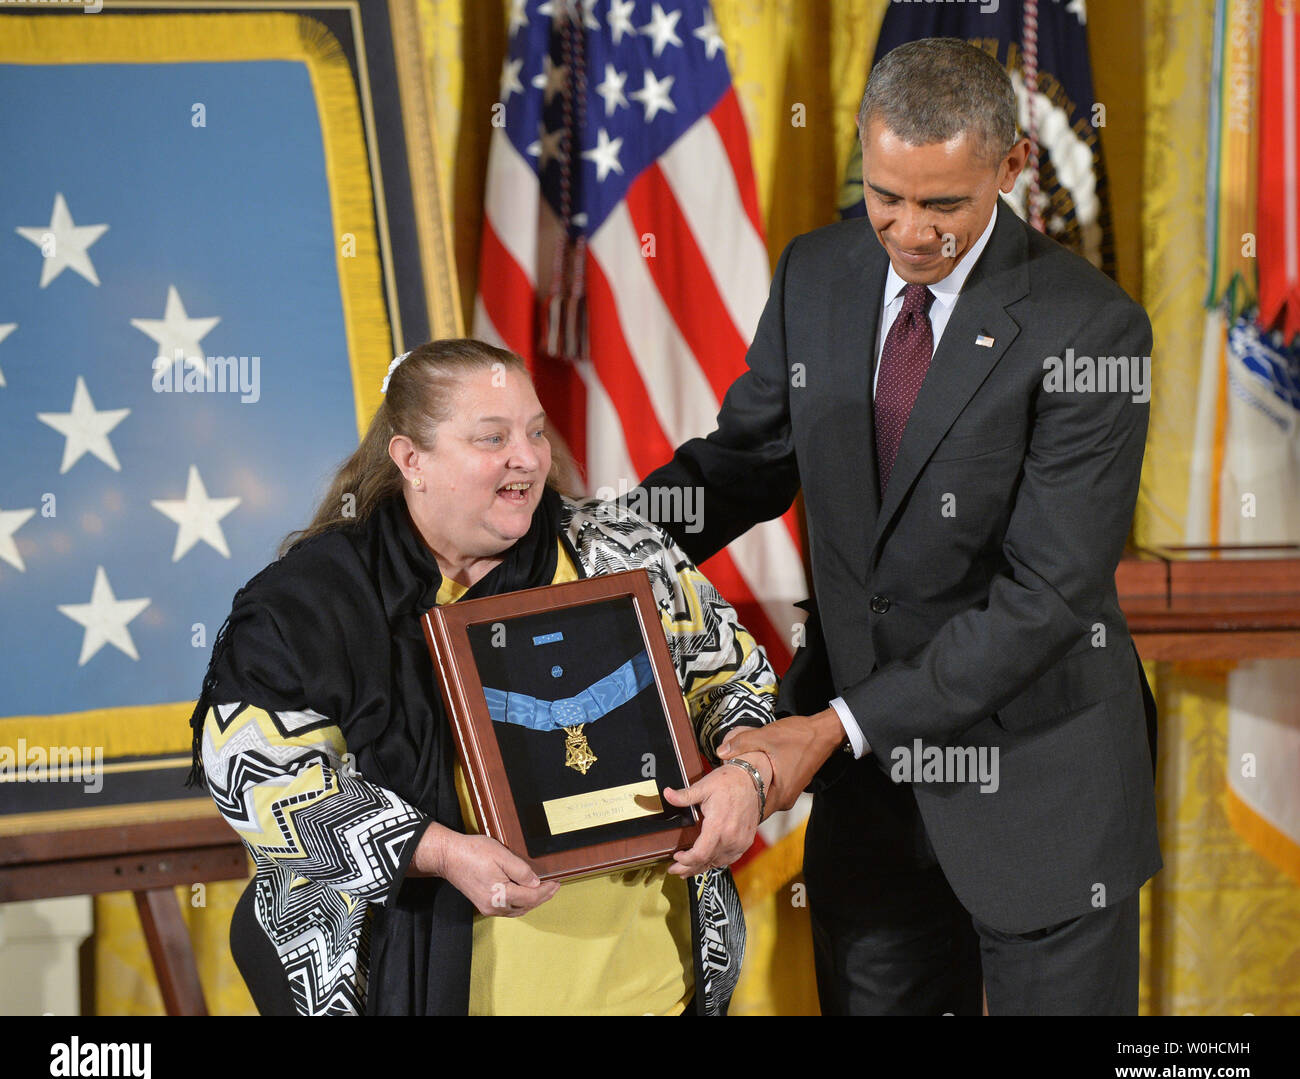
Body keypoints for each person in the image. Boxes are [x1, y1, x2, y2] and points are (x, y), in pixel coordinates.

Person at [639, 38, 1162, 1016]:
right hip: (872, 805)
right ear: (861, 149)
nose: (909, 231)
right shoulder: (816, 274)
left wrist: (836, 725)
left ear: (1010, 168)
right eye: (887, 195)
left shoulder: (1090, 329)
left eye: (943, 205)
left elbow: (1047, 598)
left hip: (1037, 786)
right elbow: (744, 461)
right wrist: (587, 550)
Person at [187, 337, 777, 1016]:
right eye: (491, 438)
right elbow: (258, 780)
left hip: (652, 989)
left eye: (534, 431)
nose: (525, 458)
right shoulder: (309, 602)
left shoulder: (620, 550)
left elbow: (735, 679)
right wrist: (435, 851)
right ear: (412, 459)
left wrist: (746, 773)